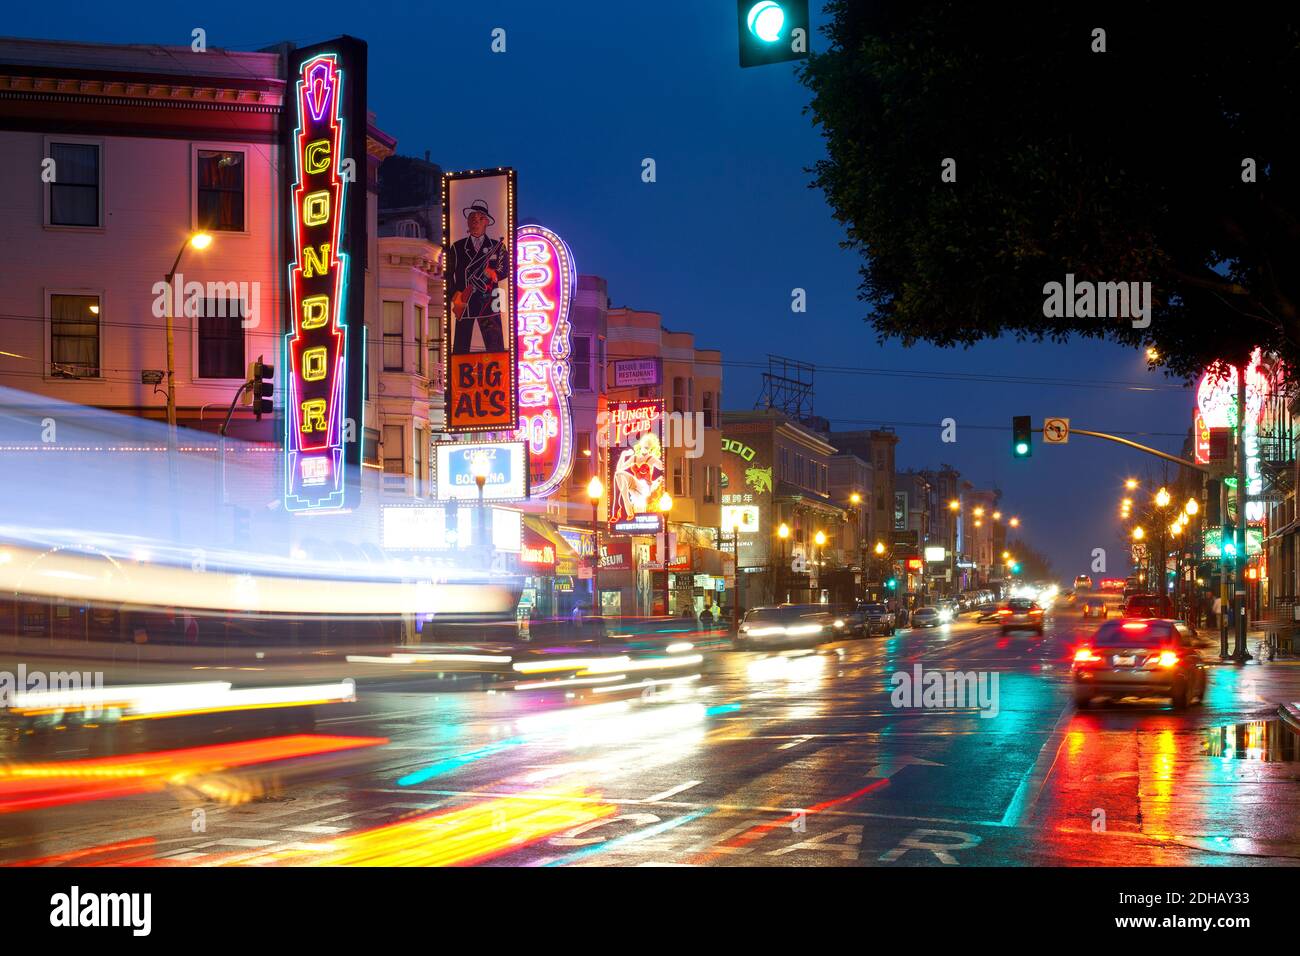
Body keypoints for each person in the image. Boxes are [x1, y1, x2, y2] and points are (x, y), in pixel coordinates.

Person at [447, 199, 509, 354]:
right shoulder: (457, 247)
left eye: (480, 218)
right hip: (465, 303)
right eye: (472, 218)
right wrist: (455, 296)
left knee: (495, 348)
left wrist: (494, 273)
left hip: (489, 302)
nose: (475, 222)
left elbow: (505, 268)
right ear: (467, 222)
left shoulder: (498, 246)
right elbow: (447, 275)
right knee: (460, 348)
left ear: (487, 222)